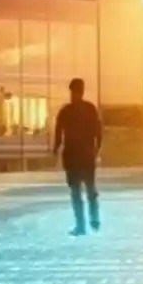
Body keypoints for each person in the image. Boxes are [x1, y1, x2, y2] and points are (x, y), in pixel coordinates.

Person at [53, 77, 102, 235]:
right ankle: (92, 221)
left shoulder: (66, 111)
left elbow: (58, 133)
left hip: (75, 156)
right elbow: (98, 131)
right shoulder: (89, 109)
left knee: (79, 191)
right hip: (83, 155)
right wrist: (96, 149)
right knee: (88, 190)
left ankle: (83, 224)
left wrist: (56, 148)